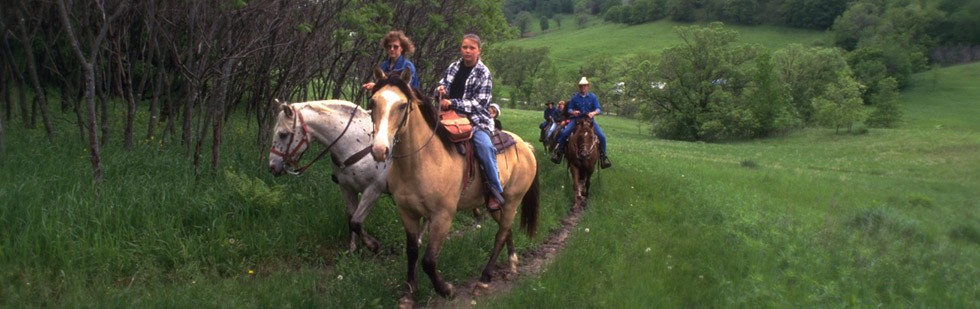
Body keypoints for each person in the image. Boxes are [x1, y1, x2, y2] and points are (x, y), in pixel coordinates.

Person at [436, 34, 505, 211]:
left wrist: (454, 102)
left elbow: (479, 103)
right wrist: (440, 90)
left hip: (474, 119)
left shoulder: (484, 73)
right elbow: (442, 84)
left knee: (484, 147)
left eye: (471, 48)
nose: (467, 51)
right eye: (464, 47)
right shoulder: (453, 67)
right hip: (448, 115)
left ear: (478, 51)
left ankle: (495, 190)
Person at [551, 77, 612, 169]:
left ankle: (603, 157)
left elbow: (598, 109)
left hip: (589, 121)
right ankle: (559, 153)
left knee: (602, 136)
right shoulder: (575, 98)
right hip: (577, 121)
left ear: (588, 87)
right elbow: (569, 109)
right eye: (581, 86)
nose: (583, 87)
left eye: (585, 86)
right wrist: (573, 112)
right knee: (565, 133)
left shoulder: (593, 97)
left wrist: (593, 112)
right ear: (579, 87)